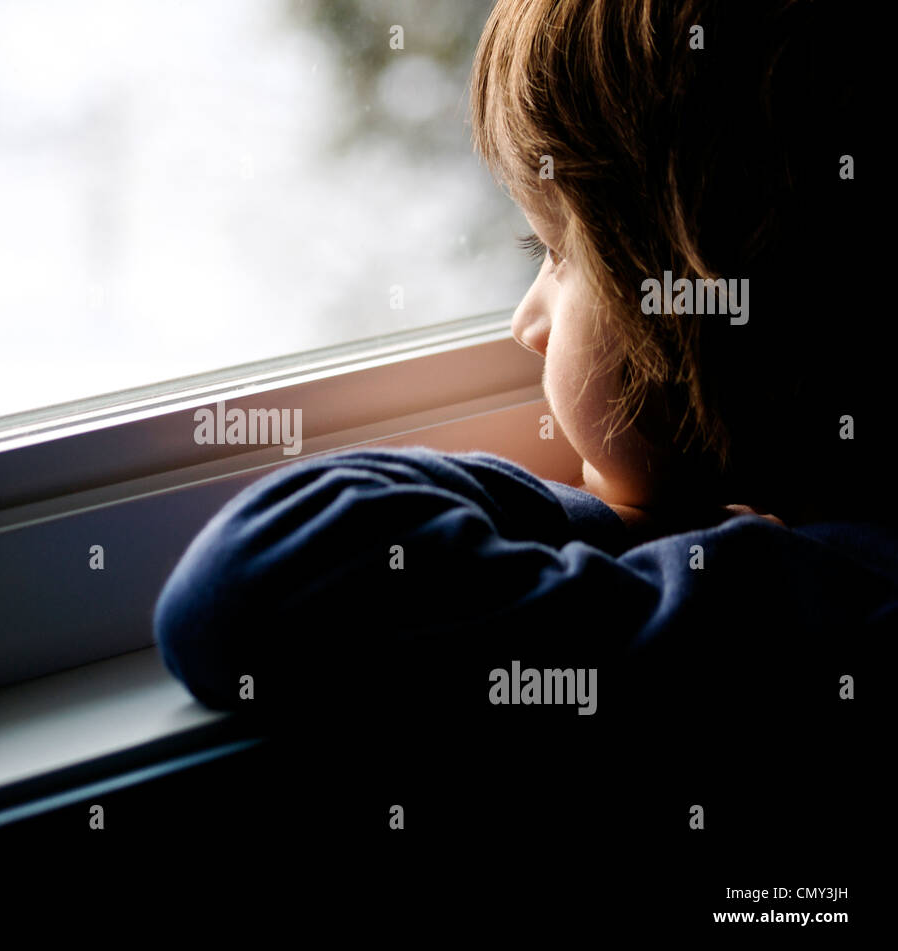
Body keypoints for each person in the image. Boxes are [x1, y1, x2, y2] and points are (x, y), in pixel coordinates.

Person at [153, 0, 892, 730]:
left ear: (691, 303)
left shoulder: (814, 606)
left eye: (558, 253)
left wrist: (617, 516)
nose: (526, 323)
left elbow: (242, 589)